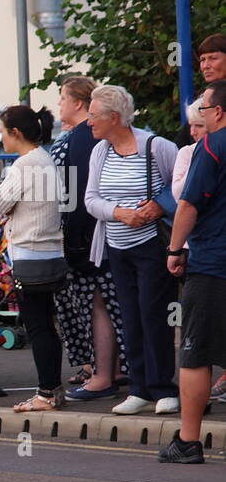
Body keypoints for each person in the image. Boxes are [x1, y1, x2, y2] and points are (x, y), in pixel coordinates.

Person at [84, 84, 180, 415]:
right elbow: (91, 200)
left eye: (93, 115)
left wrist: (158, 205)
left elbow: (181, 184)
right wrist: (119, 213)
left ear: (114, 117)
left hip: (152, 245)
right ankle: (139, 388)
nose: (88, 121)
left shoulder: (156, 146)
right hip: (117, 247)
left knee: (156, 316)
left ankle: (164, 387)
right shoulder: (101, 152)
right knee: (130, 317)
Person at [51, 75, 128, 403]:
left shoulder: (75, 141)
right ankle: (119, 368)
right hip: (111, 233)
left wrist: (70, 237)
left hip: (88, 240)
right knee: (116, 306)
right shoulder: (103, 139)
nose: (59, 105)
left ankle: (102, 373)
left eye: (62, 98)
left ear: (79, 103)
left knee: (97, 307)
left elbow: (68, 196)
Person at [161, 79, 226, 463]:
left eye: (203, 109)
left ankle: (187, 441)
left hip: (214, 262)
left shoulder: (212, 147)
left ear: (217, 111)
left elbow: (187, 206)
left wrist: (174, 249)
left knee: (195, 352)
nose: (199, 117)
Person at [0, 105, 66, 412]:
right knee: (46, 324)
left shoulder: (25, 165)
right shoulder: (45, 159)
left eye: (2, 132)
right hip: (50, 252)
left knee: (38, 327)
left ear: (16, 133)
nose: (1, 138)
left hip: (30, 253)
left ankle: (46, 393)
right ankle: (53, 389)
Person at [171, 99, 208, 200]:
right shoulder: (187, 152)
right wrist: (199, 155)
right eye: (190, 125)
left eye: (199, 126)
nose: (192, 132)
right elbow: (178, 195)